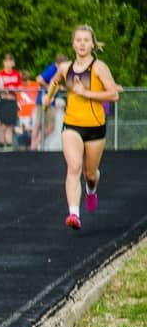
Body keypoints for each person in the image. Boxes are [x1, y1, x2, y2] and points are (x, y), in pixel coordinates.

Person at [48, 25, 119, 230]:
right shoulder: (65, 68)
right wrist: (48, 97)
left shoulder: (99, 68)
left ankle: (91, 190)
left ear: (92, 44)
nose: (82, 44)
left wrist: (86, 93)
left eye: (86, 40)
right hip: (71, 125)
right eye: (78, 40)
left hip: (95, 128)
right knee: (73, 168)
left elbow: (113, 94)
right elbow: (55, 81)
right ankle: (74, 214)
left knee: (90, 173)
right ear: (73, 44)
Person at [34, 54, 69, 151]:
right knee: (47, 126)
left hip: (47, 101)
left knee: (41, 124)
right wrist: (50, 88)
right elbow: (39, 79)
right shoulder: (53, 69)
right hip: (46, 101)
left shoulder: (56, 71)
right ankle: (35, 143)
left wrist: (57, 87)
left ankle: (35, 144)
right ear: (59, 64)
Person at [0, 54, 21, 150]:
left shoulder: (16, 74)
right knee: (2, 125)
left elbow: (19, 87)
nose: (8, 64)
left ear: (13, 63)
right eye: (6, 61)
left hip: (12, 101)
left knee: (10, 125)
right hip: (4, 100)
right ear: (3, 62)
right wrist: (0, 88)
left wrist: (13, 88)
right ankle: (1, 145)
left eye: (10, 61)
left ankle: (9, 146)